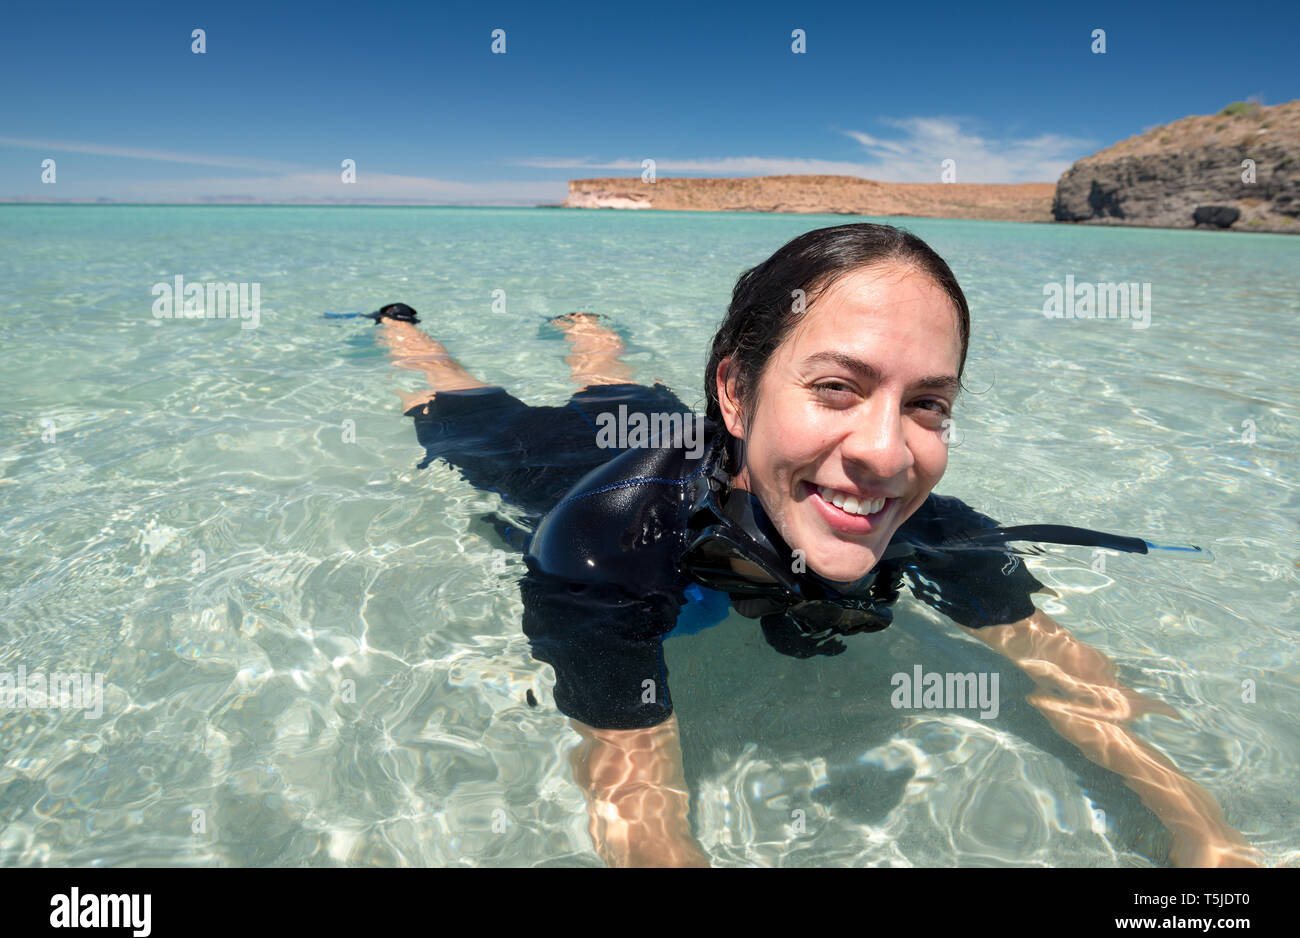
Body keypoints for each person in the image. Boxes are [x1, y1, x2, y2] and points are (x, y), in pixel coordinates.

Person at [368, 223, 1259, 869]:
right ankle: (401, 328)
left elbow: (1082, 689)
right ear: (739, 391)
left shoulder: (932, 523)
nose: (886, 453)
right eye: (837, 385)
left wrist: (1215, 855)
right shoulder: (605, 548)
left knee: (618, 383)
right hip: (549, 465)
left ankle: (582, 329)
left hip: (673, 426)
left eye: (927, 403)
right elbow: (634, 792)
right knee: (451, 401)